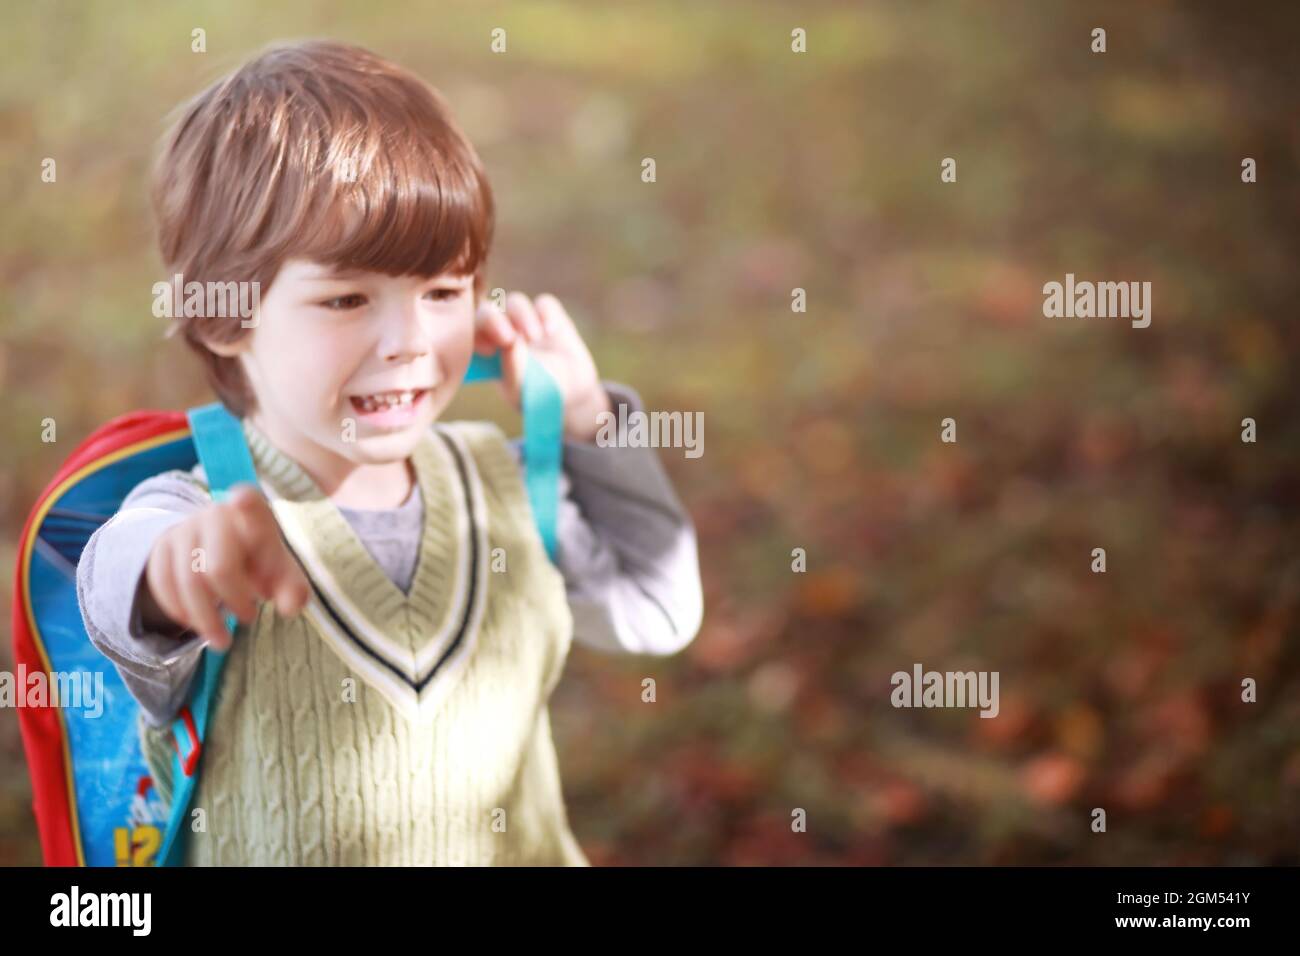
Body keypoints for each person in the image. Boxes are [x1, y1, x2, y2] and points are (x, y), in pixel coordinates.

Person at [75, 39, 703, 866]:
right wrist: (181, 564)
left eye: (444, 292)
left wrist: (587, 419)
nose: (410, 341)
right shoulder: (200, 510)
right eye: (347, 298)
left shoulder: (505, 486)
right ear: (225, 317)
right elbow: (118, 582)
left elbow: (658, 610)